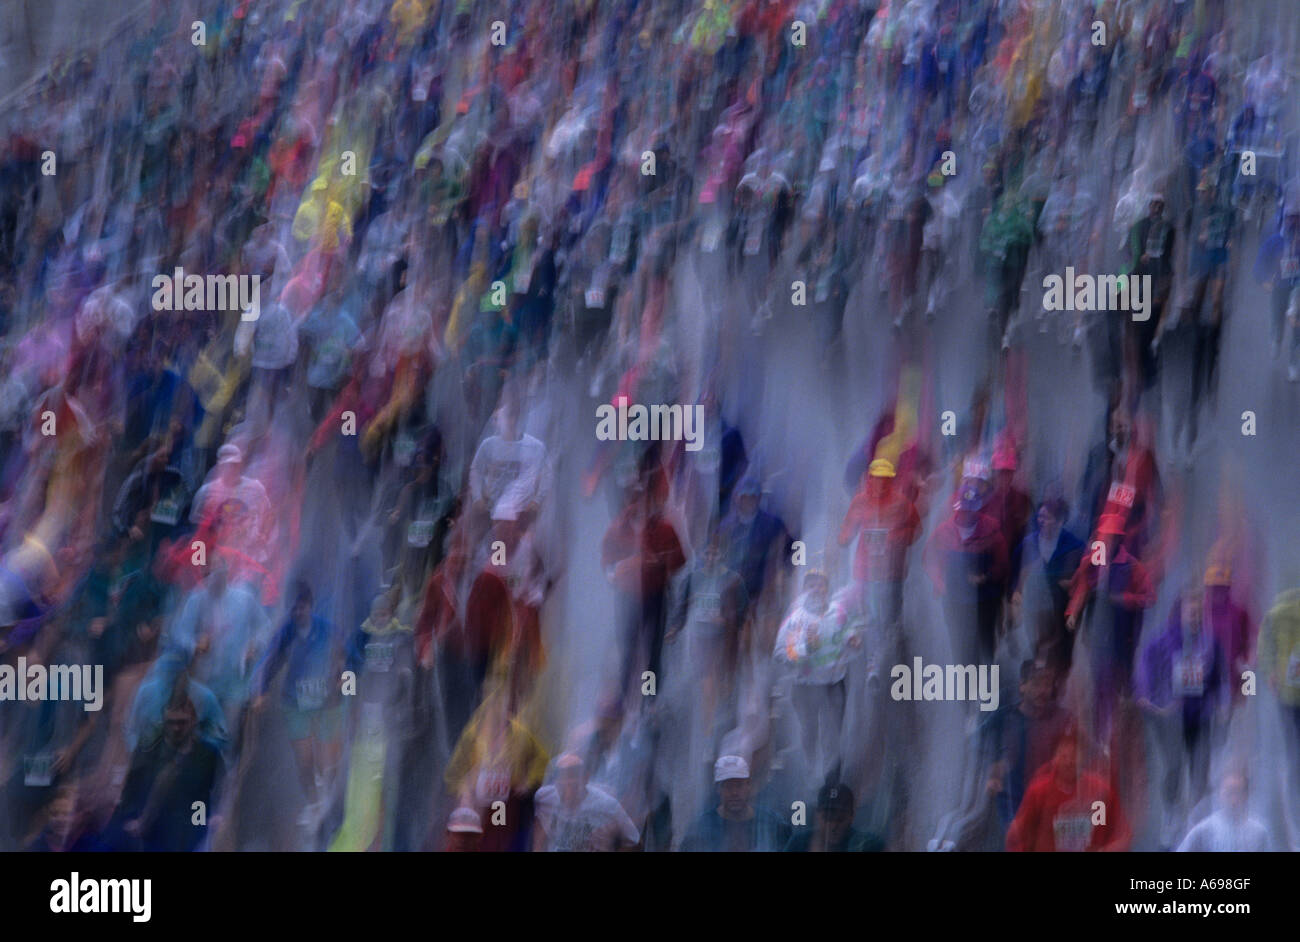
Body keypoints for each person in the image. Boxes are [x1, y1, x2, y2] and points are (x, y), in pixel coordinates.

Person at [251, 581, 347, 829]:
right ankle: (314, 802)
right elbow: (269, 661)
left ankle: (328, 793)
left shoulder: (328, 630)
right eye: (293, 609)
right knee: (304, 759)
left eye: (301, 607)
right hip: (295, 702)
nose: (297, 613)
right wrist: (260, 691)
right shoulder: (286, 632)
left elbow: (345, 661)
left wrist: (346, 689)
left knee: (327, 758)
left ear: (310, 606)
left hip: (325, 702)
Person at [108, 685, 225, 852]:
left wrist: (216, 815)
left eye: (182, 722)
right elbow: (130, 791)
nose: (176, 728)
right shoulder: (148, 752)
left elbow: (220, 785)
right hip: (155, 831)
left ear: (193, 721)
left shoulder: (208, 754)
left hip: (191, 827)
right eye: (172, 722)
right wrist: (131, 820)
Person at [773, 570, 860, 778]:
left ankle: (831, 775)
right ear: (805, 590)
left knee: (833, 731)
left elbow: (848, 628)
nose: (816, 589)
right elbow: (780, 653)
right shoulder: (796, 620)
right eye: (811, 585)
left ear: (827, 588)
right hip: (806, 686)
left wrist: (852, 638)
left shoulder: (838, 611)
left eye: (820, 585)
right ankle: (810, 771)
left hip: (834, 682)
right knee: (809, 731)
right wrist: (806, 648)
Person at [1005, 729, 1130, 852]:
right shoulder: (1038, 791)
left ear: (1085, 759)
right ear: (1055, 758)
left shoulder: (1101, 791)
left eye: (1075, 756)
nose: (1069, 762)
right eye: (1064, 755)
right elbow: (1015, 837)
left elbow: (1123, 836)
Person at [681, 755, 790, 853]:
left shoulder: (772, 824)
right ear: (718, 789)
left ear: (748, 786)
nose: (734, 792)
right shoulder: (702, 828)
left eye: (739, 785)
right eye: (728, 786)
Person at [531, 753, 640, 852]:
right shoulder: (544, 797)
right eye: (562, 776)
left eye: (573, 775)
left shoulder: (607, 805)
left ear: (585, 778)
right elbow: (538, 833)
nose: (567, 782)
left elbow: (634, 840)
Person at [1176, 769, 1271, 852]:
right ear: (1220, 794)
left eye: (1238, 792)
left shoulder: (1259, 832)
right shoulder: (1204, 830)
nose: (1234, 799)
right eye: (1229, 792)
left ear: (1246, 795)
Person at [784, 782, 882, 853]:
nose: (833, 826)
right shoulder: (799, 843)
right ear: (817, 815)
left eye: (840, 819)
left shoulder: (867, 844)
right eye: (827, 818)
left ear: (852, 817)